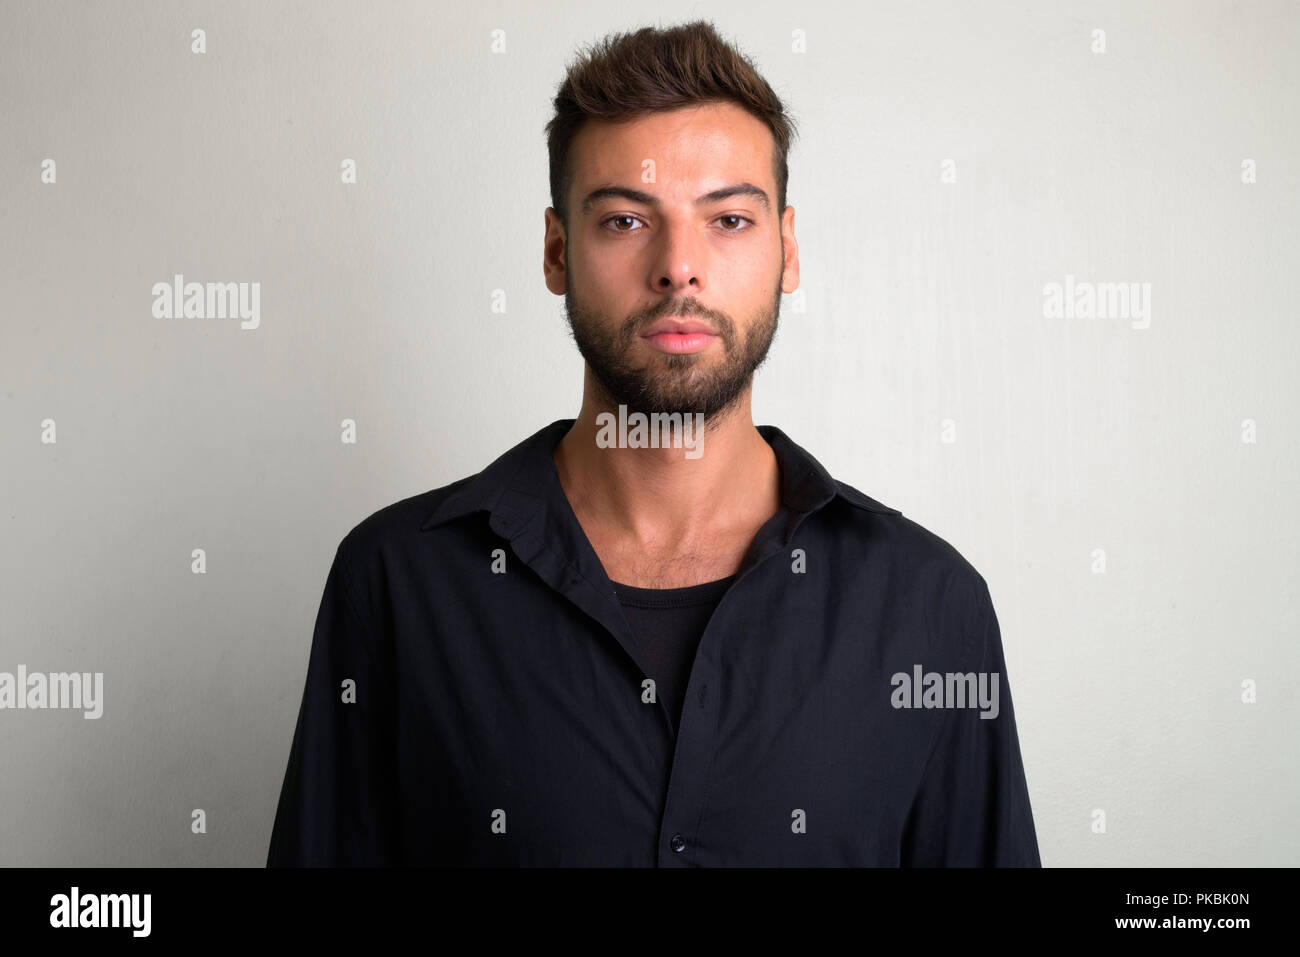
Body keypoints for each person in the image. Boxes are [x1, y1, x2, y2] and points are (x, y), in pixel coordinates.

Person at [267, 19, 1040, 867]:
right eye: (628, 221)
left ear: (787, 249)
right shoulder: (396, 587)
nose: (679, 266)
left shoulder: (931, 608)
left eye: (730, 220)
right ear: (558, 250)